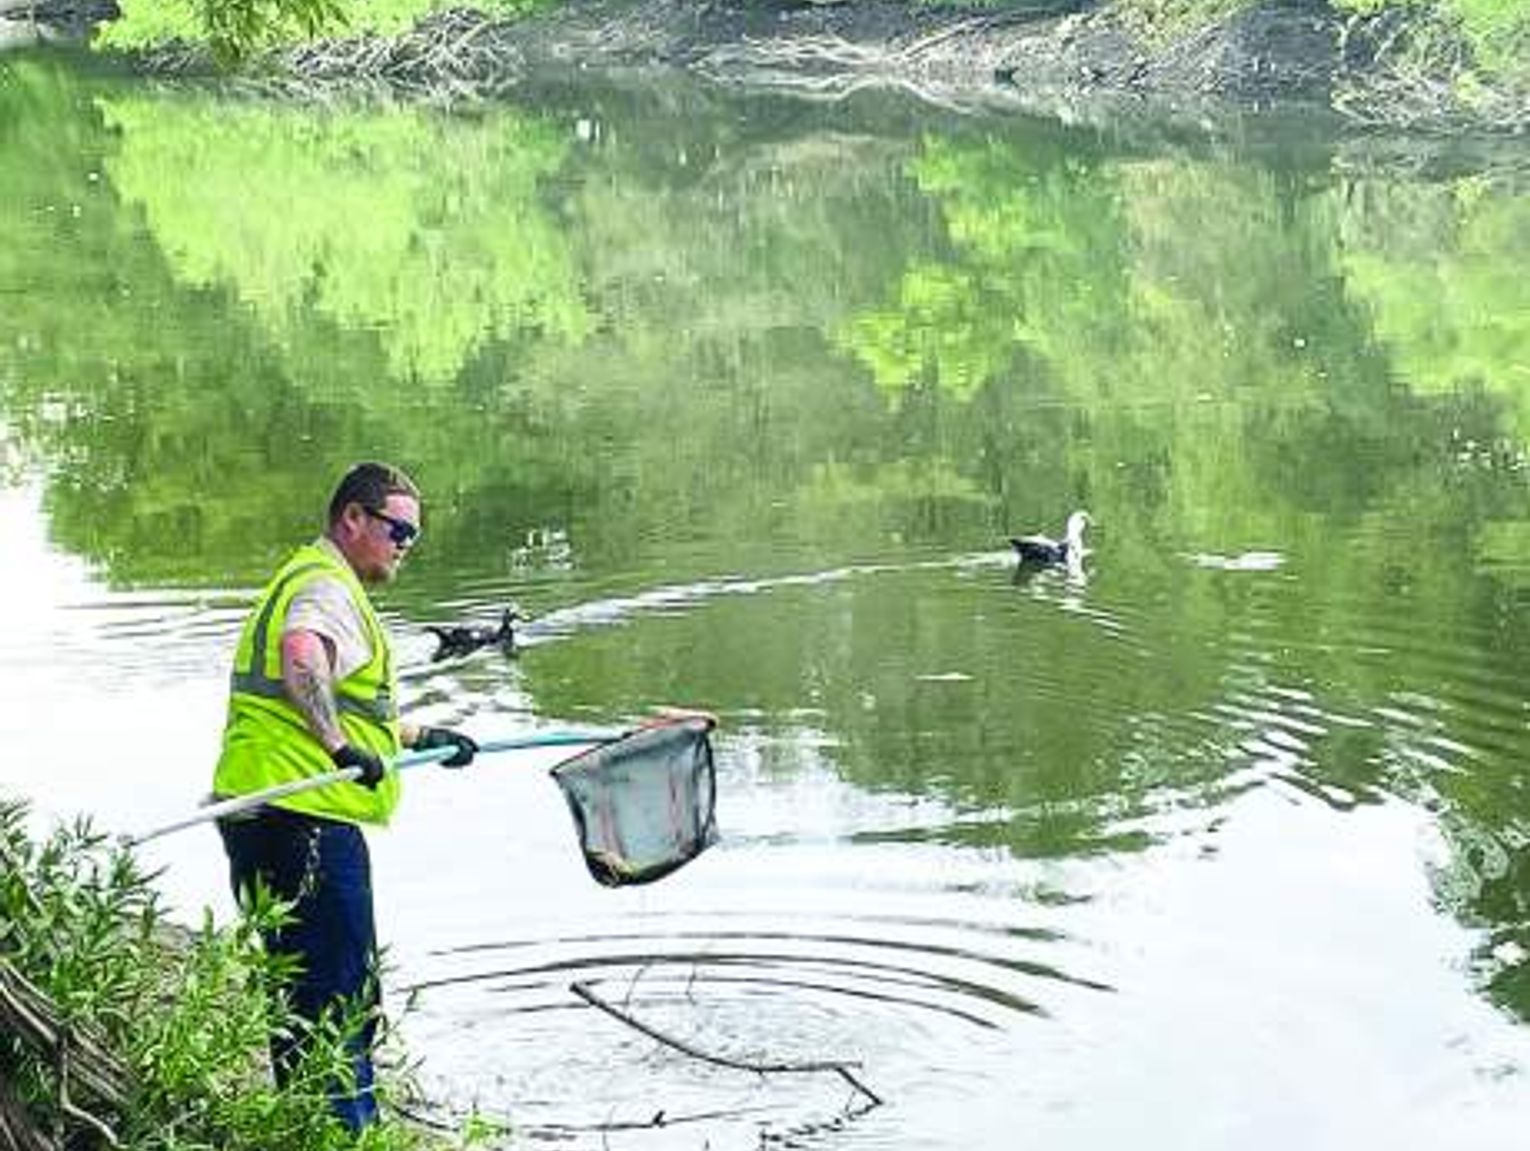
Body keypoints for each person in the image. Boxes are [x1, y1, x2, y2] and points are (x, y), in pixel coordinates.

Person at [211, 461, 477, 1132]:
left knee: (302, 993)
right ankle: (342, 1133)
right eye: (397, 531)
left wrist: (417, 735)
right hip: (306, 816)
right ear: (353, 518)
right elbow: (302, 655)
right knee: (337, 999)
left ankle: (311, 1129)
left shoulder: (309, 576)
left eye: (412, 537)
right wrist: (335, 747)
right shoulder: (326, 586)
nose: (404, 547)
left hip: (264, 809)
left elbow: (340, 694)